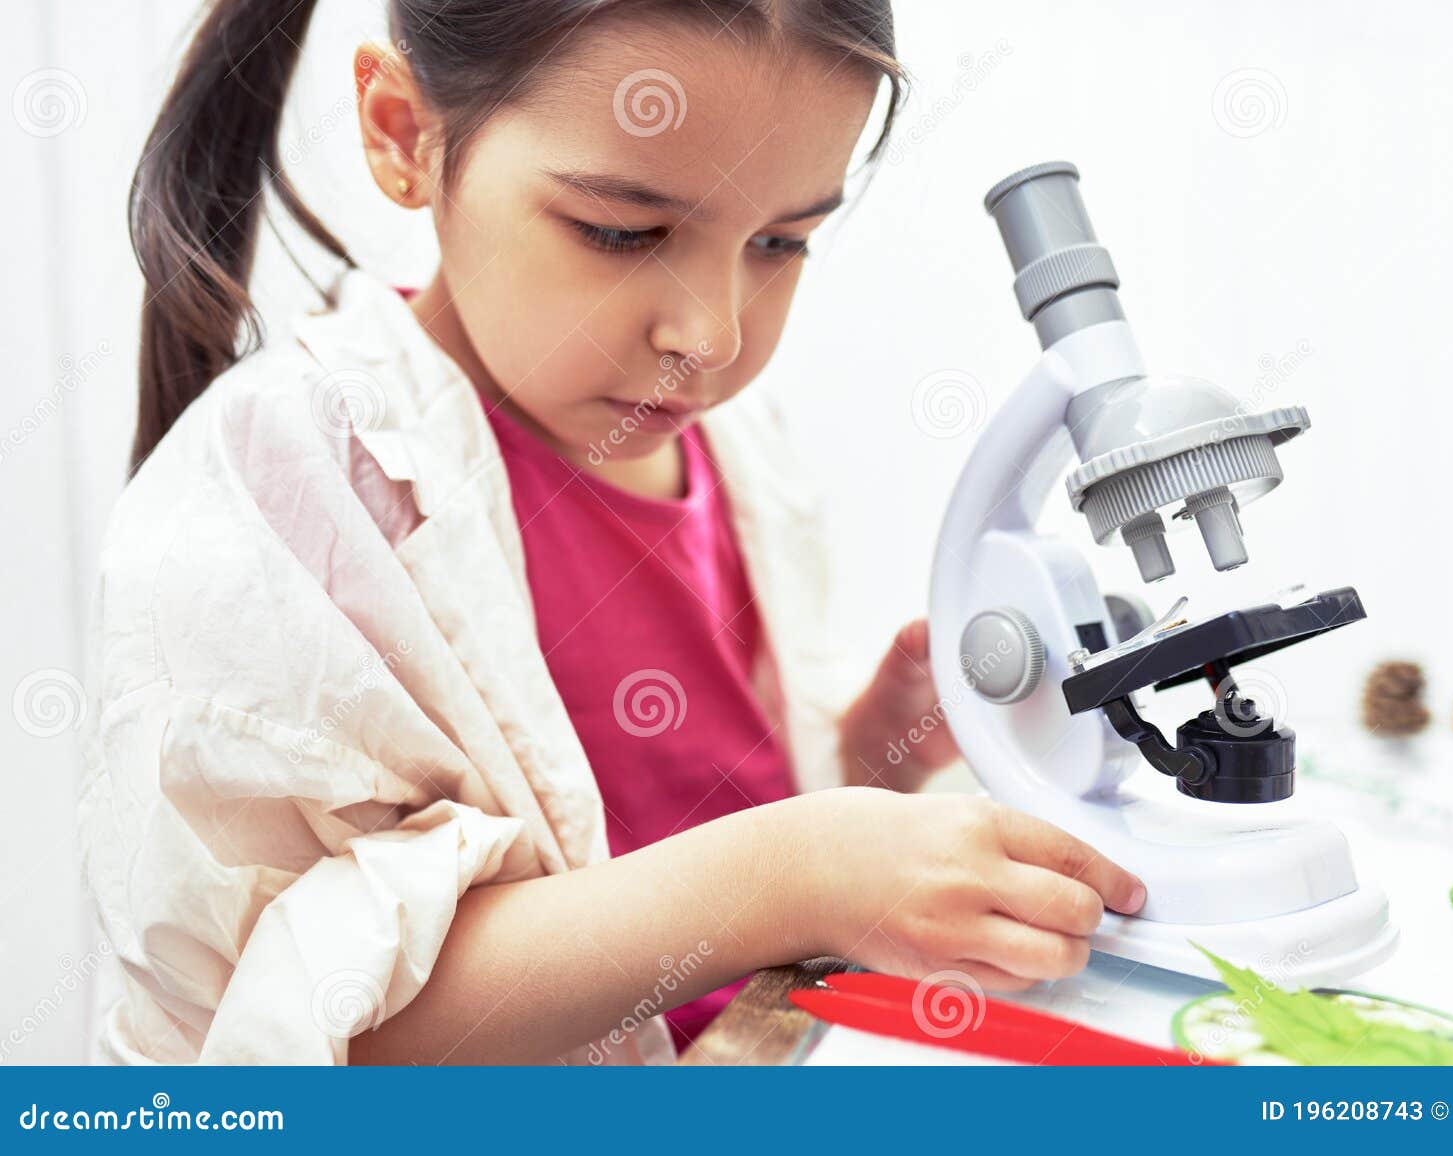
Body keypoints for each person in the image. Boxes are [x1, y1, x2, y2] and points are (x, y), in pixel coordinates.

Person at [78, 0, 1145, 1065]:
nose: (711, 333)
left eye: (782, 242)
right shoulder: (287, 486)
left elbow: (702, 813)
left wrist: (875, 752)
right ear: (407, 134)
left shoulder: (738, 453)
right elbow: (327, 1028)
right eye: (624, 232)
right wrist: (804, 869)